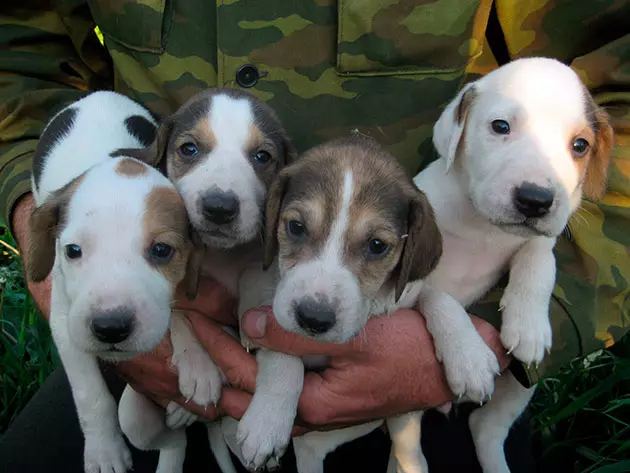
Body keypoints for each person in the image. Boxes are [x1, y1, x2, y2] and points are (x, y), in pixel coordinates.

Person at [0, 1, 628, 472]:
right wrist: (65, 251)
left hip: (410, 340)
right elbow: (20, 49)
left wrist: (491, 331)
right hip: (138, 298)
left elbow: (610, 102)